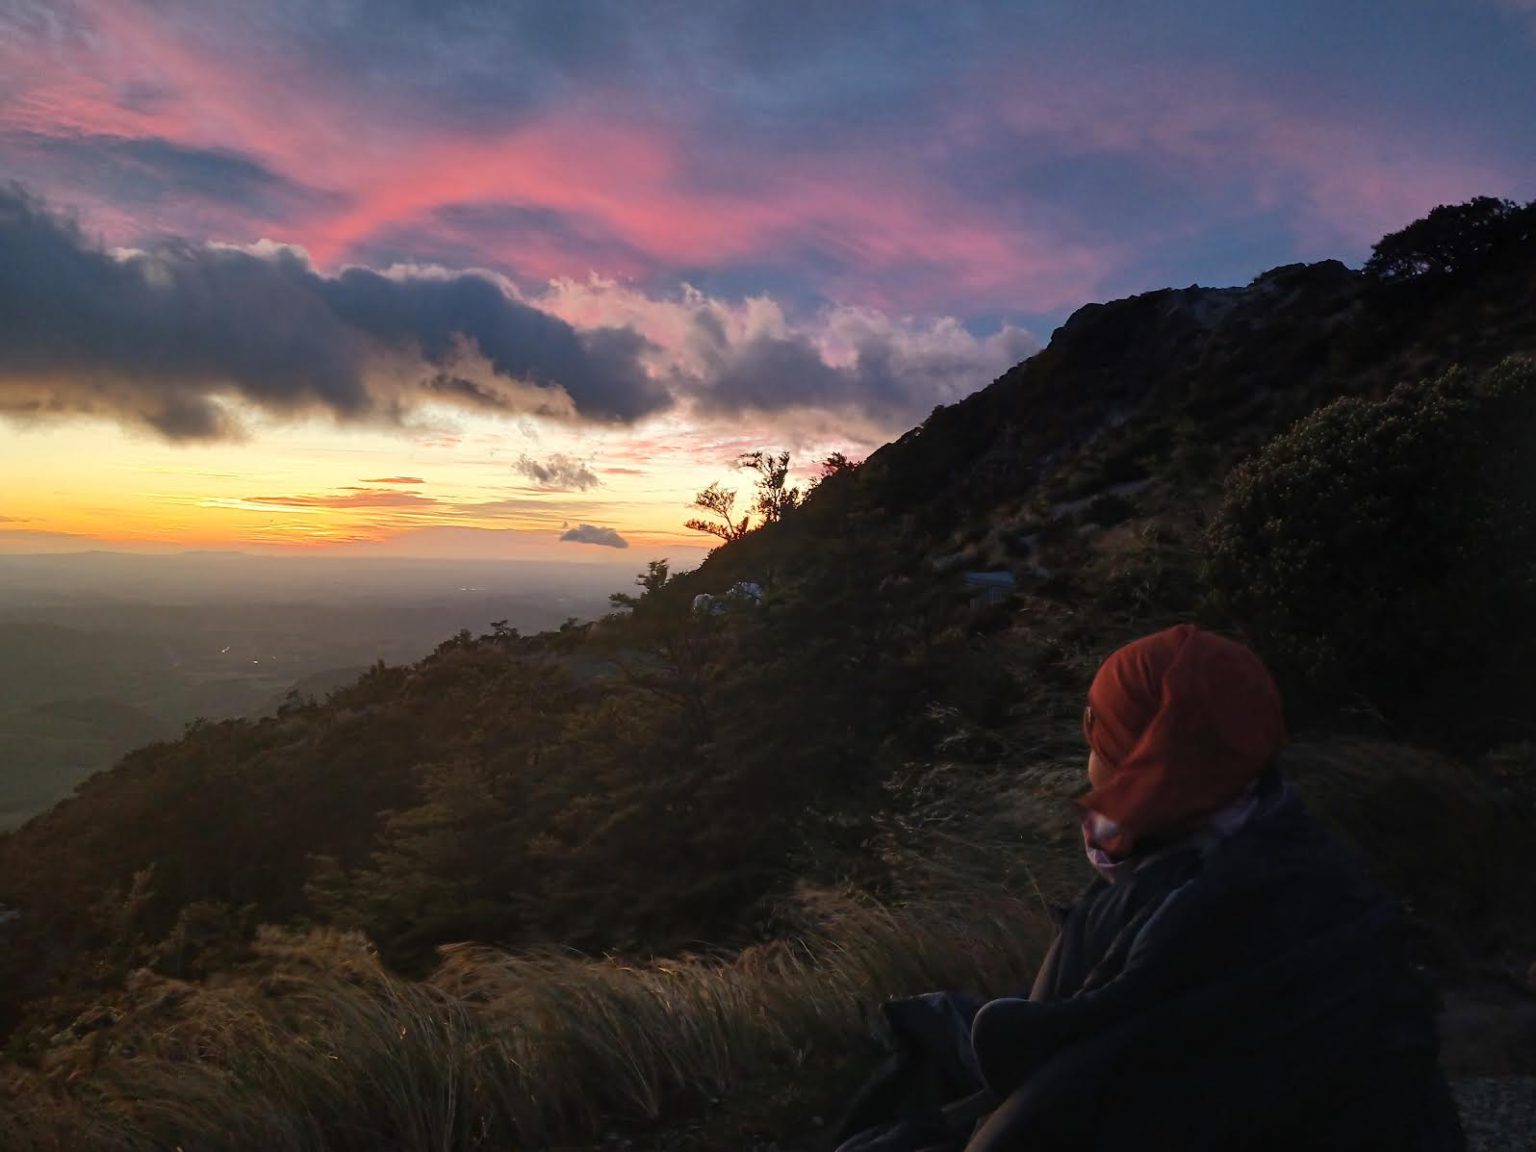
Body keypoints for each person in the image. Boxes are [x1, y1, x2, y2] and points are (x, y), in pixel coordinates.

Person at [836, 624, 1464, 1151]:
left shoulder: (1172, 908)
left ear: (1132, 756)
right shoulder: (1315, 863)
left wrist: (948, 1026)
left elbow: (1065, 1090)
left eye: (1095, 729)